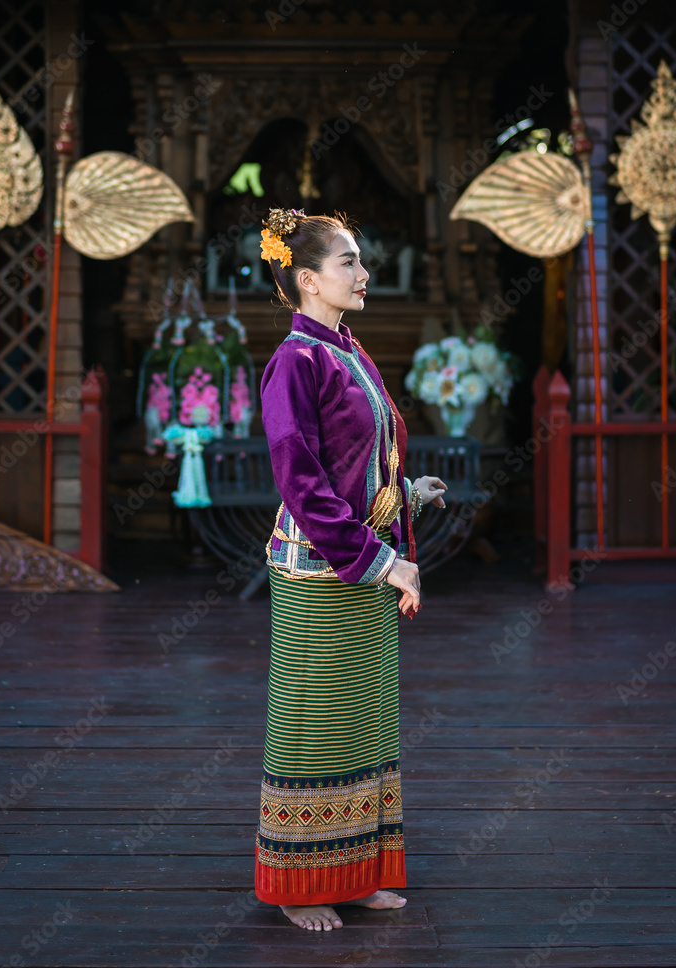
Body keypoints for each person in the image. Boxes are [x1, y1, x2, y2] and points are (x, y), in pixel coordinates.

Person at [254, 206, 448, 933]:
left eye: (361, 261)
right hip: (322, 574)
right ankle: (299, 886)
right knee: (315, 727)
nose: (364, 275)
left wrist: (409, 499)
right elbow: (302, 485)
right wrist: (382, 560)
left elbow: (363, 462)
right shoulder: (295, 362)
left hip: (366, 566)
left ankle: (357, 871)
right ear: (307, 280)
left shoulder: (346, 349)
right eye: (349, 264)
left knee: (364, 729)